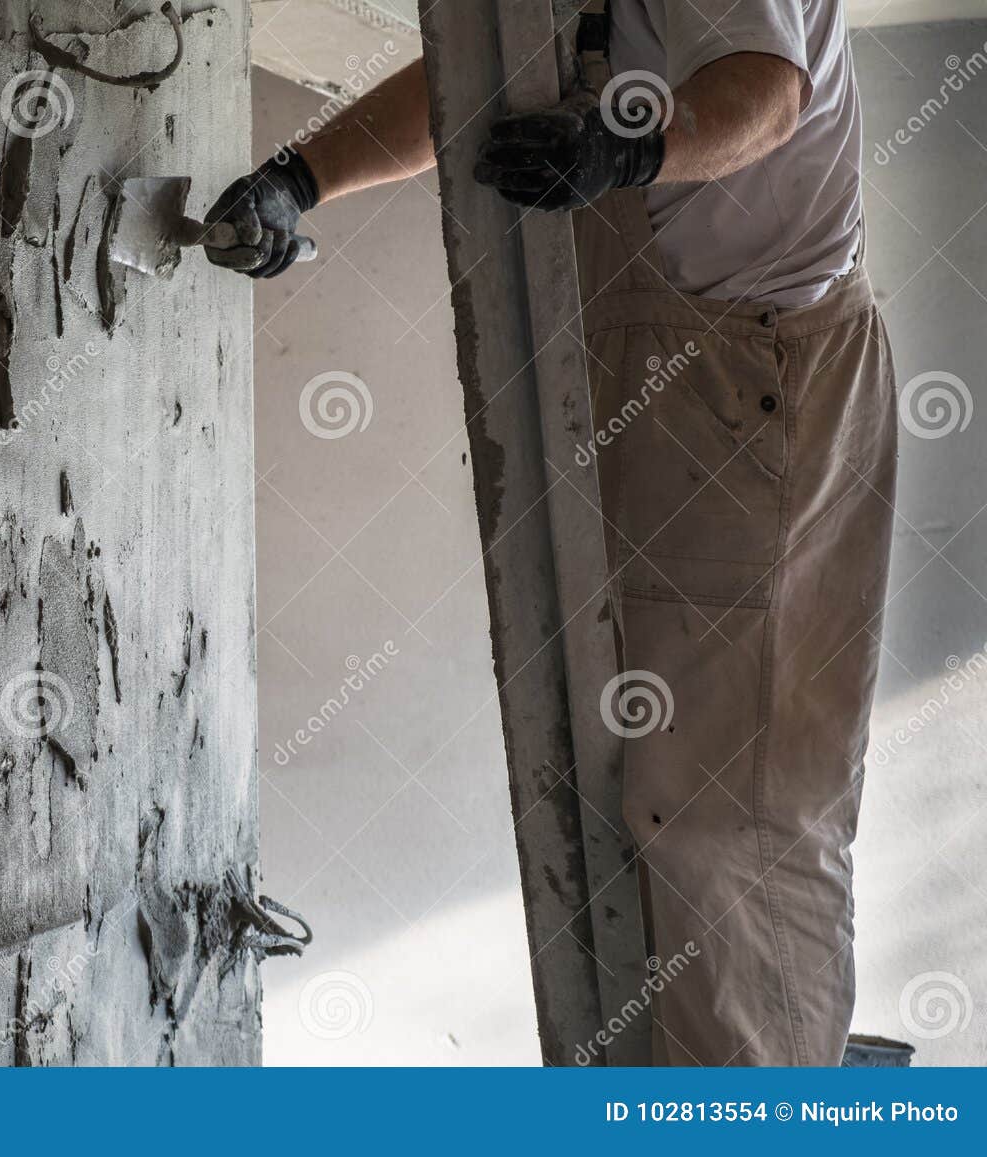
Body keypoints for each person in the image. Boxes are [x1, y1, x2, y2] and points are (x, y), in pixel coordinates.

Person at [211, 0, 895, 1067]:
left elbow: (762, 94)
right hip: (668, 378)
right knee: (638, 784)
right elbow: (474, 98)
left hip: (747, 376)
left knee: (728, 811)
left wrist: (631, 147)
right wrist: (297, 180)